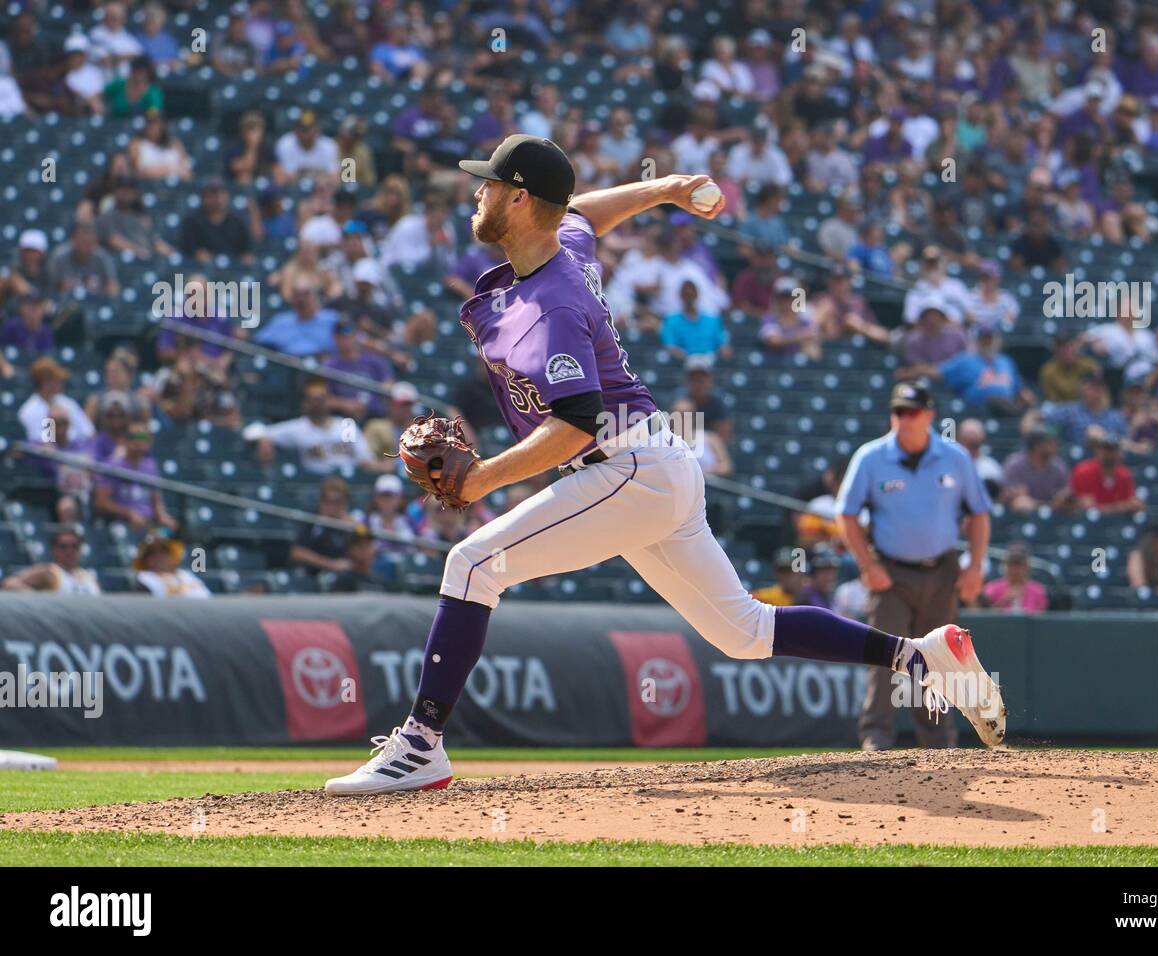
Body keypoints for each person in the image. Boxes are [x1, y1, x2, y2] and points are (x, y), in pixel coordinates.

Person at [326, 136, 1004, 794]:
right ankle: (924, 654)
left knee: (471, 565)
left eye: (490, 183)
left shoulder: (555, 305)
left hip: (625, 466)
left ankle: (420, 744)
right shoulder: (562, 242)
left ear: (522, 199)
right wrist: (669, 189)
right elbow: (588, 211)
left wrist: (479, 481)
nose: (477, 192)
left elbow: (575, 426)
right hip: (650, 464)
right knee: (744, 632)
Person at [834, 380, 995, 752]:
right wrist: (867, 563)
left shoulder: (955, 457)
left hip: (942, 571)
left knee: (940, 661)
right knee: (885, 656)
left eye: (912, 412)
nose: (904, 419)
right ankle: (876, 739)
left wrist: (975, 568)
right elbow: (846, 515)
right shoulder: (871, 457)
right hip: (891, 574)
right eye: (898, 412)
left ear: (929, 415)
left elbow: (980, 514)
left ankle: (940, 744)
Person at [250, 378, 386, 475]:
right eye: (312, 399)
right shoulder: (298, 427)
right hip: (315, 483)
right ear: (305, 403)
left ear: (329, 400)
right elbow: (257, 432)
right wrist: (264, 440)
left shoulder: (346, 426)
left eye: (321, 399)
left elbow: (366, 460)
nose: (317, 403)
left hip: (347, 483)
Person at [1, 526, 101, 595]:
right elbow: (9, 584)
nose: (69, 551)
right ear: (54, 549)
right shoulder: (48, 572)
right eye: (63, 547)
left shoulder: (89, 577)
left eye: (74, 546)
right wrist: (38, 598)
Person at [1070, 431, 1143, 513]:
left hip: (1117, 523)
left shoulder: (1125, 475)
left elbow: (1133, 504)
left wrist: (1103, 508)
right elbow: (1080, 505)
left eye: (1113, 450)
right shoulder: (1082, 471)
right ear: (1098, 451)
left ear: (1120, 453)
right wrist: (1121, 506)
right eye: (1106, 449)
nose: (1109, 454)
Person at [133, 533, 211, 599]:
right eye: (152, 552)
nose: (160, 556)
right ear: (145, 558)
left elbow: (206, 596)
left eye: (165, 551)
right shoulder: (145, 578)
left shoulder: (185, 575)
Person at [980, 542, 1048, 613]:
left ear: (1026, 567)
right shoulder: (992, 588)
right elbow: (984, 614)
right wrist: (1003, 601)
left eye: (1019, 565)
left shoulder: (1037, 590)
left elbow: (1041, 616)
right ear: (1005, 565)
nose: (1015, 569)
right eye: (1011, 564)